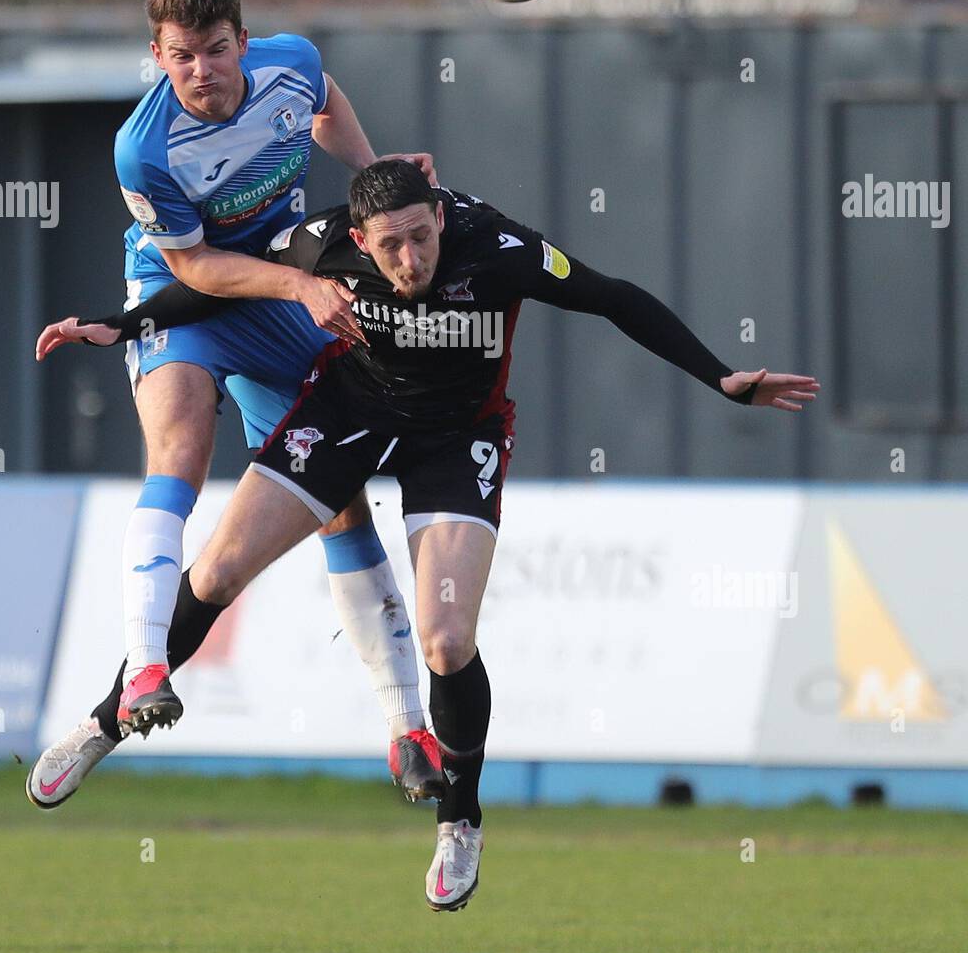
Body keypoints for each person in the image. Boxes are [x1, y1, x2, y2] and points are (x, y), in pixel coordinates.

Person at [46, 160, 819, 911]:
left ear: (441, 217)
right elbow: (222, 278)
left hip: (457, 439)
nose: (410, 258)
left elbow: (611, 298)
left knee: (446, 642)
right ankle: (105, 721)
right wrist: (121, 325)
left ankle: (460, 819)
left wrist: (719, 376)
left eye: (422, 236)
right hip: (349, 413)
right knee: (214, 573)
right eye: (390, 246)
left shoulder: (497, 246)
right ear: (358, 236)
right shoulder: (321, 242)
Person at [25, 0, 443, 813]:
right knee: (180, 442)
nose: (202, 72)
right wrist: (298, 287)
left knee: (336, 501)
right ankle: (146, 665)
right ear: (158, 55)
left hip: (280, 294)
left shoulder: (290, 64)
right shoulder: (144, 148)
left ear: (244, 43)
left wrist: (372, 179)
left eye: (216, 51)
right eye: (181, 57)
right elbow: (196, 268)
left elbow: (324, 101)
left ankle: (406, 727)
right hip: (188, 301)